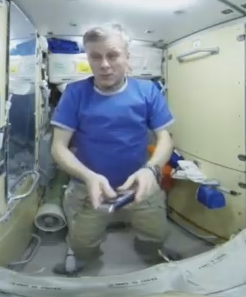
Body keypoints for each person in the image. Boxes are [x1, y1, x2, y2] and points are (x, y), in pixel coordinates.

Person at [49, 26, 178, 275]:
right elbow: (58, 147)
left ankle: (151, 253)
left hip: (141, 182)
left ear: (127, 56)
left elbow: (165, 138)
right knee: (82, 241)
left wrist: (151, 170)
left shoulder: (147, 91)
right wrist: (89, 177)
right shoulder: (75, 93)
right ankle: (85, 260)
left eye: (113, 55)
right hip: (88, 187)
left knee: (155, 233)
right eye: (95, 57)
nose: (104, 65)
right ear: (88, 59)